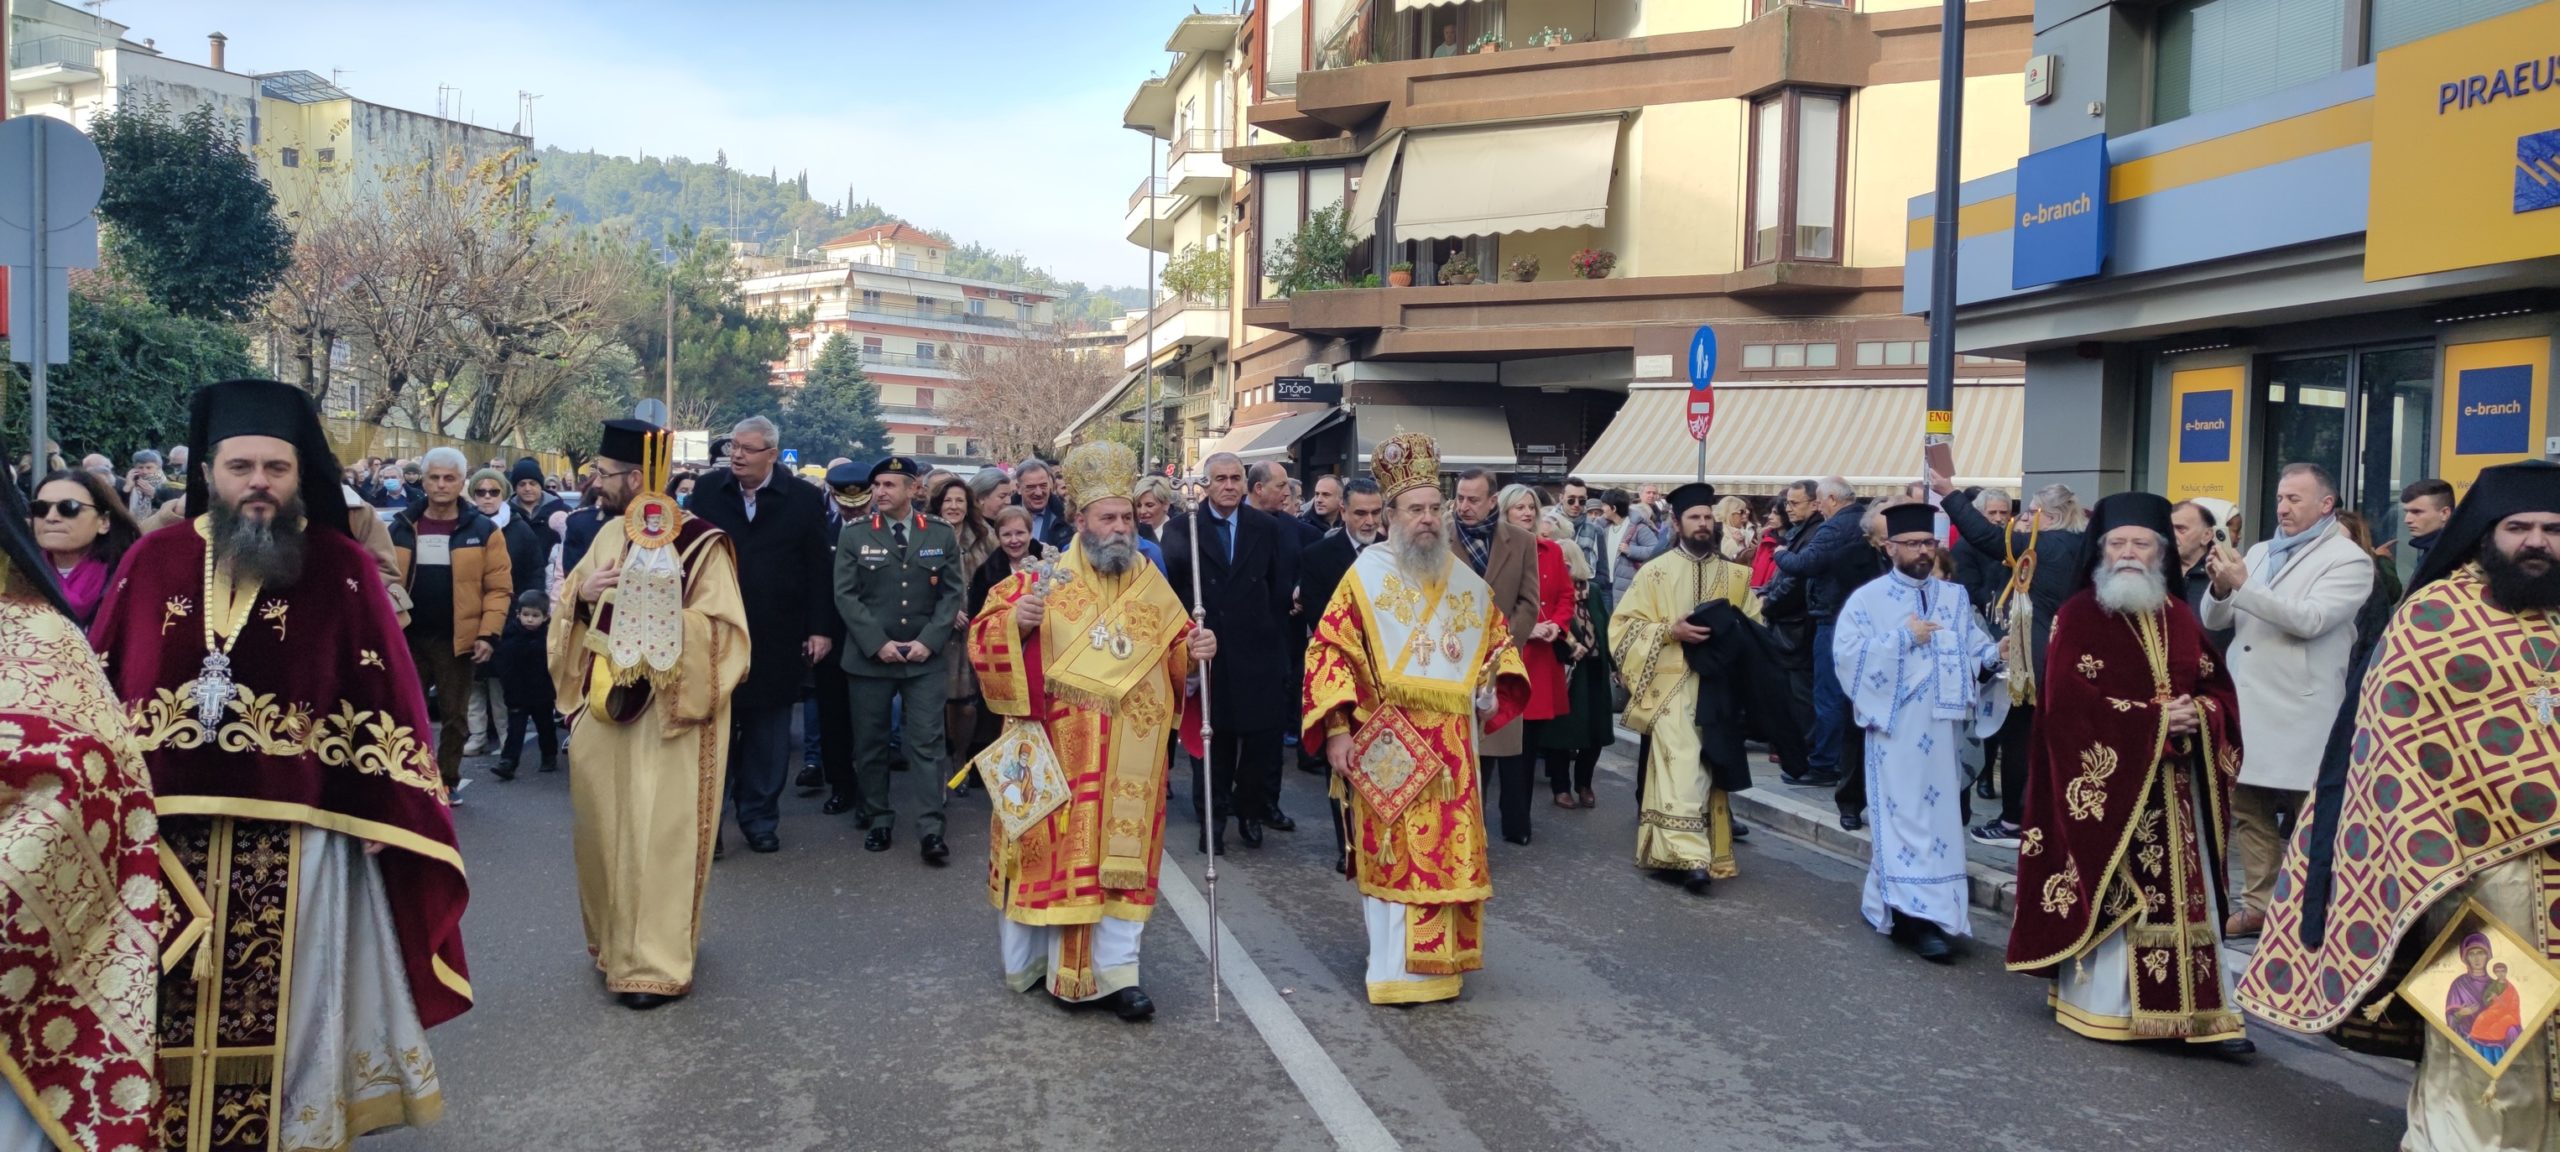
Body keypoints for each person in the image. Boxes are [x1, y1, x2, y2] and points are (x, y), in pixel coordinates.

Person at [91, 379, 469, 1143]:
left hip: (303, 832)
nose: (258, 482)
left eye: (276, 467)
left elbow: (387, 693)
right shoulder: (153, 559)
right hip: (162, 841)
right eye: (241, 467)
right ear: (208, 472)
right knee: (156, 1002)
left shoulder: (340, 566)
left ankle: (289, 1133)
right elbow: (102, 683)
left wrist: (390, 807)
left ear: (301, 476)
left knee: (295, 1000)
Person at [2238, 461, 2560, 1140]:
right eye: (2520, 527)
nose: (2536, 541)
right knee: (2491, 1037)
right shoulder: (2436, 615)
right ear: (2487, 533)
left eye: (2552, 529)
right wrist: (2435, 850)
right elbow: (2389, 745)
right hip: (2475, 872)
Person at [966, 441, 1214, 1021]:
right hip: (1057, 752)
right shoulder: (1039, 580)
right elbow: (982, 642)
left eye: (1127, 517)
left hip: (1131, 754)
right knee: (1051, 859)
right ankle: (1039, 964)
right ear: (1080, 520)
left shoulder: (1151, 584)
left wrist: (1198, 654)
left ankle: (1117, 975)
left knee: (1121, 865)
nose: (1121, 528)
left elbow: (1175, 656)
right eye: (1108, 518)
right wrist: (1015, 625)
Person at [2006, 492, 2248, 1051]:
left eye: (2142, 543)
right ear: (2101, 550)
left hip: (2178, 791)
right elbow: (2066, 706)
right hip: (2113, 791)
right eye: (2118, 543)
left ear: (2161, 551)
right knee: (2123, 894)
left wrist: (2200, 715)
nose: (2130, 553)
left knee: (2188, 902)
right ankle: (2114, 1010)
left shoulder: (2178, 614)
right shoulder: (2078, 615)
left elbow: (2218, 691)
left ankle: (2202, 1015)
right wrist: (2154, 721)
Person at [1304, 431, 1529, 1004]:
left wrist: (1489, 687)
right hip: (1388, 742)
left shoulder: (1466, 585)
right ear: (1391, 517)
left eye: (1434, 508)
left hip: (1453, 751)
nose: (1426, 519)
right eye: (1414, 509)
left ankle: (1439, 967)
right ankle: (1392, 971)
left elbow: (1498, 649)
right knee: (1395, 856)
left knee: (1448, 854)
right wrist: (1336, 730)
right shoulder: (1365, 577)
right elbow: (1329, 652)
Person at [552, 418, 750, 1008]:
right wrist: (585, 598)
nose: (595, 483)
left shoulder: (702, 542)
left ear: (637, 477)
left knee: (658, 837)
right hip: (605, 710)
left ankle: (653, 964)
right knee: (605, 831)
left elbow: (727, 634)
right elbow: (573, 602)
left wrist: (651, 608)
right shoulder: (608, 533)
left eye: (604, 473)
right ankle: (616, 945)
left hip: (671, 719)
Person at [0, 468, 160, 1152]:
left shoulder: (39, 632)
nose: (55, 517)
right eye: (43, 508)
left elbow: (85, 782)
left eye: (69, 507)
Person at [2198, 462, 2372, 938]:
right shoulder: (2258, 551)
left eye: (2295, 498)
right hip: (2248, 701)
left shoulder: (2349, 560)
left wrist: (2242, 585)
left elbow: (2310, 620)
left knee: (2310, 815)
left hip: (2301, 708)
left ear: (2326, 504)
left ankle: (2312, 910)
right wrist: (2219, 587)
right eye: (2280, 498)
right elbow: (2216, 619)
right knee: (2248, 809)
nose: (2283, 507)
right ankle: (2260, 905)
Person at [1835, 502, 2001, 962]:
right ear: (1890, 548)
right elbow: (1848, 658)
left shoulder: (1955, 598)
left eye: (1928, 543)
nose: (1923, 551)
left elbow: (1973, 649)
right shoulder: (1867, 600)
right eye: (1912, 544)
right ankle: (1912, 919)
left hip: (1944, 733)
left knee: (1942, 822)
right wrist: (1904, 638)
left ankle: (1931, 911)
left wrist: (1995, 654)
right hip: (1896, 731)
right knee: (1904, 818)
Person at [684, 416, 833, 855]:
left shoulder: (803, 498)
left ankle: (759, 819)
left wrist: (819, 628)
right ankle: (709, 825)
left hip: (777, 635)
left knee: (768, 738)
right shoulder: (708, 492)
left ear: (772, 454)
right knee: (715, 735)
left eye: (748, 449)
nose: (737, 455)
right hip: (716, 633)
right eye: (733, 446)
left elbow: (818, 569)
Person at [1610, 483, 1761, 893]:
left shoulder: (1736, 576)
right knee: (1682, 765)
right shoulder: (1655, 572)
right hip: (1670, 685)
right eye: (1694, 517)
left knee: (1709, 767)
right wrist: (1669, 631)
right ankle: (1692, 858)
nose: (1703, 524)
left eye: (1708, 517)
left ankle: (1676, 853)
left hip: (1719, 687)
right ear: (1676, 523)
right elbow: (1623, 627)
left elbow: (1755, 627)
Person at [1936, 474, 2087, 849]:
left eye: (2031, 512)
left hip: (2035, 662)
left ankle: (2015, 821)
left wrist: (1950, 494)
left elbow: (1986, 537)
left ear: (2049, 516)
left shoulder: (2045, 546)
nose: (2024, 519)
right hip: (2068, 657)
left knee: (2021, 739)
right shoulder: (2082, 545)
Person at [1165, 452, 1298, 851]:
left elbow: (1278, 585)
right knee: (1213, 744)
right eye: (1219, 478)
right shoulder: (1183, 528)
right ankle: (1213, 821)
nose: (1228, 485)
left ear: (1245, 484)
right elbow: (1175, 590)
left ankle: (1250, 812)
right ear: (1205, 484)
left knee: (1260, 743)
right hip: (1210, 651)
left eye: (1234, 478)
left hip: (1258, 650)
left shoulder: (1266, 527)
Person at [837, 456, 965, 862]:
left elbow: (952, 592)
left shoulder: (939, 533)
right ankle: (878, 817)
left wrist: (930, 640)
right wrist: (877, 643)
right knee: (871, 743)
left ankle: (931, 829)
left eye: (889, 485)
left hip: (924, 659)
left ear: (913, 489)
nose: (879, 492)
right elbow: (845, 595)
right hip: (870, 659)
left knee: (927, 743)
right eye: (876, 485)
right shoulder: (855, 534)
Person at [391, 447, 514, 797]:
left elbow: (499, 588)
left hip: (456, 640)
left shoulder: (484, 530)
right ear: (423, 481)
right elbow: (382, 578)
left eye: (449, 478)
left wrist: (488, 634)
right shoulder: (401, 526)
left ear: (462, 482)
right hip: (407, 638)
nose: (441, 484)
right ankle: (409, 780)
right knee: (404, 713)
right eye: (434, 477)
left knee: (455, 717)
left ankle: (447, 780)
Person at [1296, 477, 1386, 868]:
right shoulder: (1318, 555)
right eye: (1361, 513)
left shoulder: (1394, 553)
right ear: (1344, 512)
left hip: (1387, 678)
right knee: (1342, 761)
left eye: (1376, 513)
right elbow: (1320, 621)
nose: (1370, 521)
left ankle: (1381, 840)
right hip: (1341, 672)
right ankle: (1347, 845)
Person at [1449, 469, 1542, 842]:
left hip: (1498, 665)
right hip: (1450, 663)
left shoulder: (1521, 541)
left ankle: (1480, 837)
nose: (1464, 506)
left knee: (1490, 750)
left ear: (1492, 501)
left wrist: (1501, 648)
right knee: (1455, 754)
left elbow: (1529, 602)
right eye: (1460, 498)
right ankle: (1459, 838)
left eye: (1473, 499)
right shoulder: (1438, 536)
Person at [1772, 477, 1878, 800]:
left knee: (1828, 694)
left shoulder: (1833, 528)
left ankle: (1823, 764)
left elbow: (1805, 563)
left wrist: (1780, 553)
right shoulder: (1860, 522)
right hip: (1851, 617)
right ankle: (1836, 761)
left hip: (1832, 618)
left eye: (1818, 500)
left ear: (1832, 499)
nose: (1818, 506)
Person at [1492, 484, 1572, 844]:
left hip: (1540, 660)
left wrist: (1558, 624)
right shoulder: (1494, 550)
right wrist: (1525, 626)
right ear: (1504, 511)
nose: (1527, 513)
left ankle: (1518, 819)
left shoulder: (1551, 550)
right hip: (1507, 654)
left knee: (1528, 746)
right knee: (1499, 744)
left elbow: (1566, 595)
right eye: (1519, 507)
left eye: (1531, 507)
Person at [1535, 503, 1615, 811]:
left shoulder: (1592, 592)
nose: (1562, 569)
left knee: (1596, 733)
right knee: (1563, 734)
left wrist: (1615, 665)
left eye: (1567, 564)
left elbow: (1604, 627)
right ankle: (1561, 786)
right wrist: (1571, 644)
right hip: (1568, 671)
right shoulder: (1552, 594)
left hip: (1594, 670)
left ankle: (1584, 782)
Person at [814, 461, 873, 813]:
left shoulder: (884, 529)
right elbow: (814, 584)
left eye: (860, 503)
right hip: (832, 636)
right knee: (833, 716)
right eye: (845, 503)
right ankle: (840, 784)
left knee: (870, 720)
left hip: (873, 637)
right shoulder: (821, 528)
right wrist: (815, 630)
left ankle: (871, 789)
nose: (853, 510)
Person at [27, 468, 140, 630]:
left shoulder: (129, 579)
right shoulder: (15, 576)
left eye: (69, 508)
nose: (51, 517)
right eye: (40, 508)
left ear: (104, 522)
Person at [495, 589, 559, 779]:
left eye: (535, 616)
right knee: (515, 729)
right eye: (526, 615)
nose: (530, 619)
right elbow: (504, 663)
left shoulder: (548, 638)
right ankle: (508, 762)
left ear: (545, 617)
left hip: (542, 692)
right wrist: (507, 686)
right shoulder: (510, 635)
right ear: (518, 614)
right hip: (517, 692)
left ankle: (549, 756)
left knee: (545, 726)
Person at [1015, 458, 1074, 552]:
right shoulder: (1003, 518)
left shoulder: (1066, 519)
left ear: (1050, 485)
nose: (1039, 493)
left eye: (1043, 486)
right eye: (1031, 487)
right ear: (1018, 488)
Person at [2397, 476, 2455, 562]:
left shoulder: (2453, 556)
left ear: (2444, 513)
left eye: (2416, 512)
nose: (2407, 520)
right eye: (2406, 512)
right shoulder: (2436, 550)